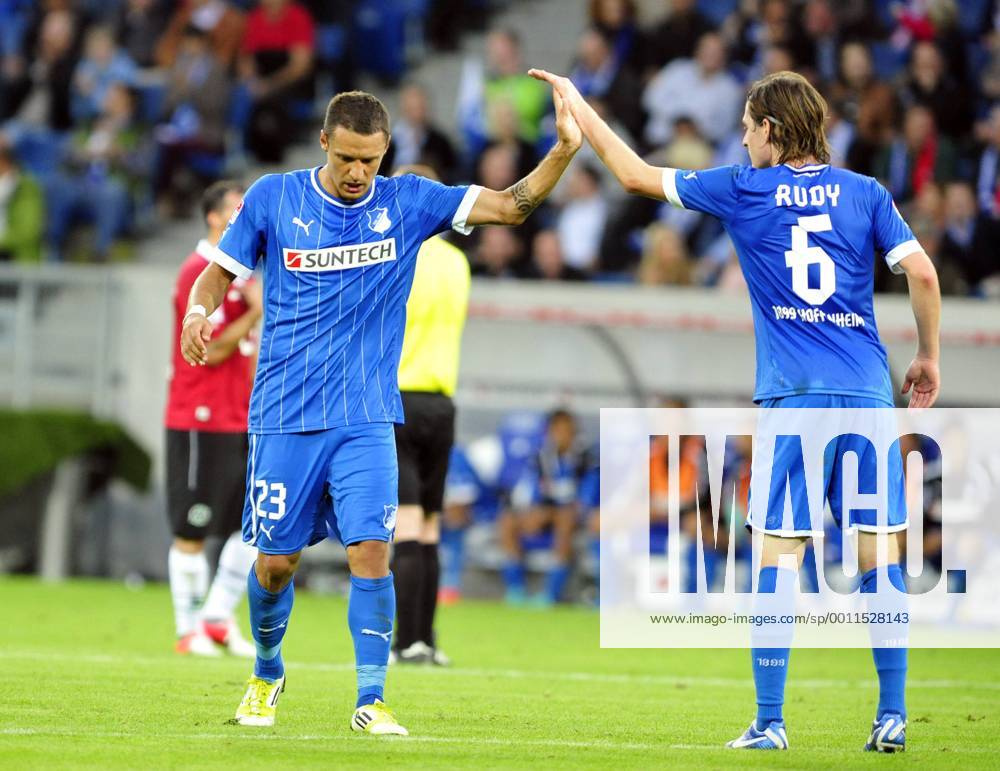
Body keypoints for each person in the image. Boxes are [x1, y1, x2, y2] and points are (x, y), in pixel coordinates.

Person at [531, 67, 941, 752]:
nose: (744, 141)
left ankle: (771, 721)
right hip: (868, 394)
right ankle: (892, 714)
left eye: (749, 129)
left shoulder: (746, 187)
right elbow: (922, 273)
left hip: (794, 398)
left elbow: (633, 174)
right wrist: (926, 355)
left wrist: (579, 103)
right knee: (879, 553)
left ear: (771, 131)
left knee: (778, 557)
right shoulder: (866, 191)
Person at [179, 88, 581, 735]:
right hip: (283, 414)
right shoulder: (274, 198)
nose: (356, 172)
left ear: (386, 151)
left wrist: (562, 149)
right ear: (324, 143)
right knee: (276, 564)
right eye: (345, 158)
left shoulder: (408, 203)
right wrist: (199, 314)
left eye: (369, 160)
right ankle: (266, 671)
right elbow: (218, 271)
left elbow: (510, 205)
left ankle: (372, 697)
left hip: (366, 417)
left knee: (372, 550)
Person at [164, 180, 262, 658]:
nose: (241, 219)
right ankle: (189, 629)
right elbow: (213, 348)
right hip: (199, 418)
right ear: (212, 218)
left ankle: (218, 617)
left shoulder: (242, 279)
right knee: (193, 528)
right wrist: (254, 314)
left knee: (249, 527)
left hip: (239, 417)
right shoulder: (198, 273)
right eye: (233, 211)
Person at [389, 163, 469, 666]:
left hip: (398, 397)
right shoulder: (457, 263)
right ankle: (428, 640)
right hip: (442, 403)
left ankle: (405, 643)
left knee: (406, 526)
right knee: (431, 527)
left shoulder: (397, 253)